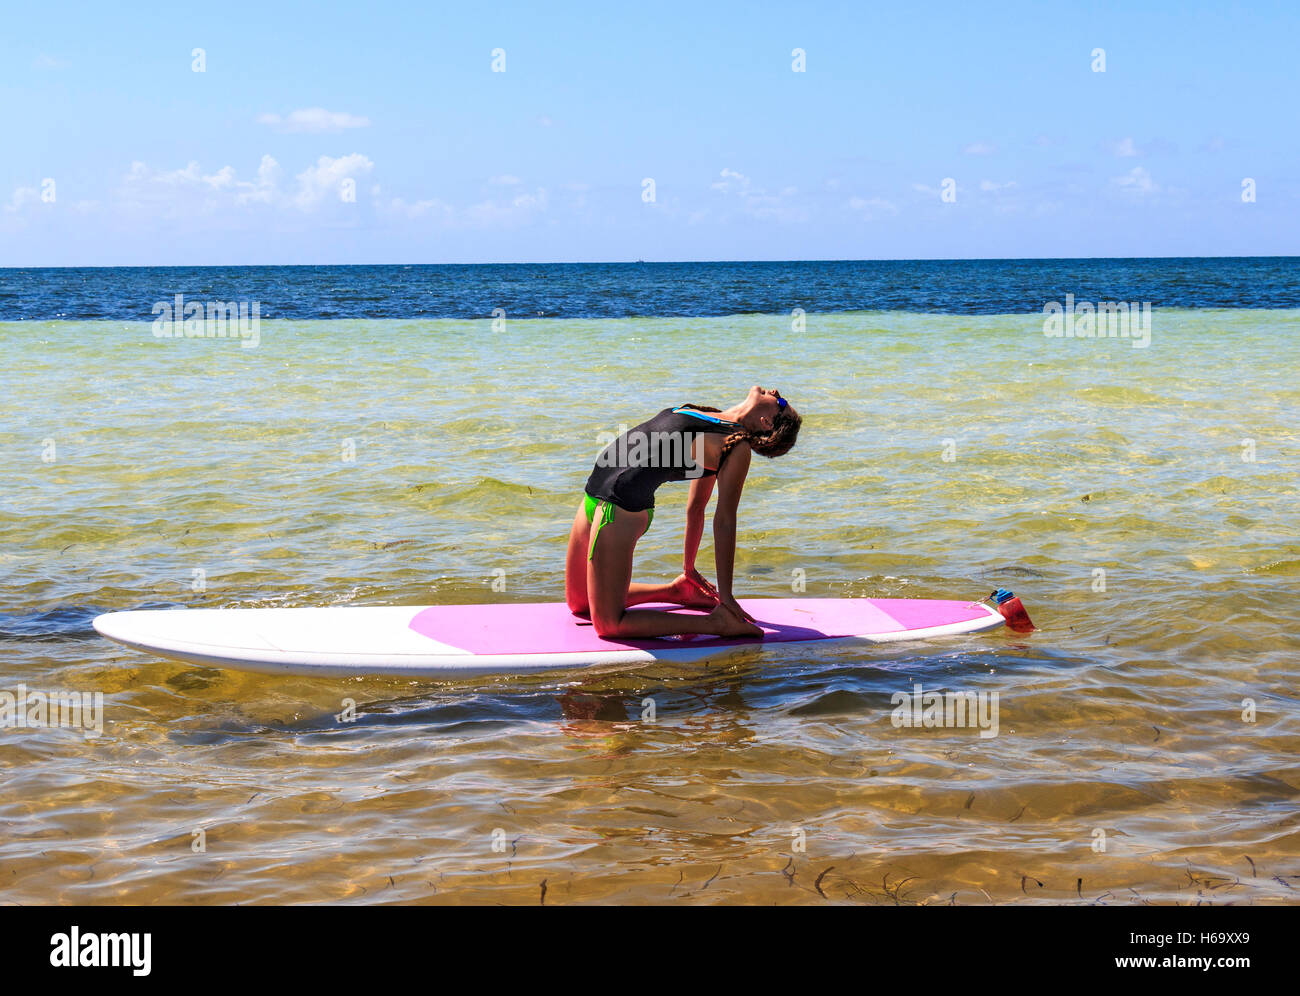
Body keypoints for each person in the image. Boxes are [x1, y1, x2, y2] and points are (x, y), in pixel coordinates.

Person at [565, 385, 802, 640]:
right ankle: (675, 590)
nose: (776, 391)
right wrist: (689, 570)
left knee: (609, 625)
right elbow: (695, 508)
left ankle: (718, 623)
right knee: (579, 602)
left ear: (766, 423)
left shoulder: (736, 447)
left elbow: (724, 520)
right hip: (593, 496)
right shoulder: (708, 415)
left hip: (620, 509)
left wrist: (727, 597)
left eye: (781, 402)